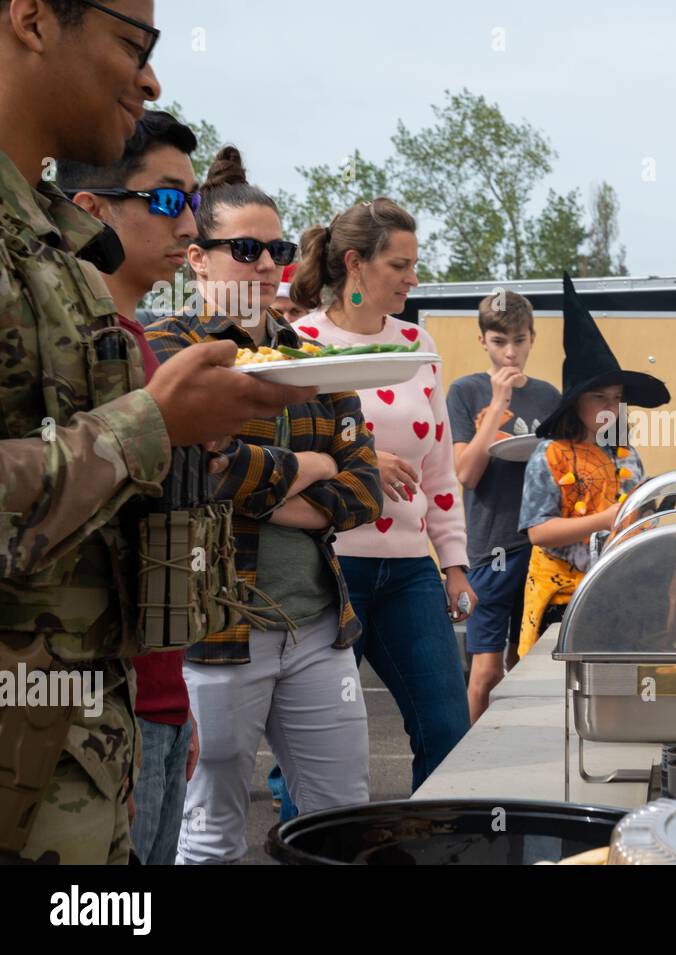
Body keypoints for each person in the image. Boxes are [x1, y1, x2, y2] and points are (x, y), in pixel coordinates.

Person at [0, 0, 312, 865]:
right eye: (132, 44)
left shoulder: (57, 250)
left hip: (90, 757)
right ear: (31, 19)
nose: (151, 78)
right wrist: (154, 424)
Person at [147, 146, 381, 863]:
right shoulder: (165, 351)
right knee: (212, 831)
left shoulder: (310, 357)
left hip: (315, 625)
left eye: (275, 249)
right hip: (215, 634)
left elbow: (364, 490)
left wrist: (259, 482)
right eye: (244, 249)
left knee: (345, 821)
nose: (265, 264)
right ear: (198, 259)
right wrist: (307, 468)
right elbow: (193, 469)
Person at [56, 108, 205, 863]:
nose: (191, 224)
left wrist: (180, 701)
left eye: (197, 201)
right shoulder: (66, 351)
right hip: (85, 710)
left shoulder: (142, 341)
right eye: (168, 199)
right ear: (91, 210)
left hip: (159, 697)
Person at [289, 197, 473, 790]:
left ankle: (435, 850)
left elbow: (441, 469)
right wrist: (361, 460)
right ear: (356, 264)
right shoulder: (297, 344)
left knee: (447, 729)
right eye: (400, 264)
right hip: (325, 569)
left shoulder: (419, 345)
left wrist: (456, 565)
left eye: (414, 264)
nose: (412, 278)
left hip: (410, 573)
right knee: (321, 747)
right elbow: (276, 460)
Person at [516, 274, 666, 655]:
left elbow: (639, 515)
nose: (609, 408)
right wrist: (606, 519)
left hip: (618, 589)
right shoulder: (549, 454)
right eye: (598, 397)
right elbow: (538, 532)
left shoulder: (625, 453)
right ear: (575, 401)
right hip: (562, 599)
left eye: (616, 398)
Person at [448, 291, 561, 722]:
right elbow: (466, 473)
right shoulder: (466, 391)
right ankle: (469, 766)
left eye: (519, 340)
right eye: (499, 341)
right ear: (482, 341)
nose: (510, 352)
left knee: (529, 661)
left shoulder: (549, 396)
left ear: (533, 338)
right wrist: (496, 408)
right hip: (491, 545)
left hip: (542, 544)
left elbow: (558, 465)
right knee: (487, 671)